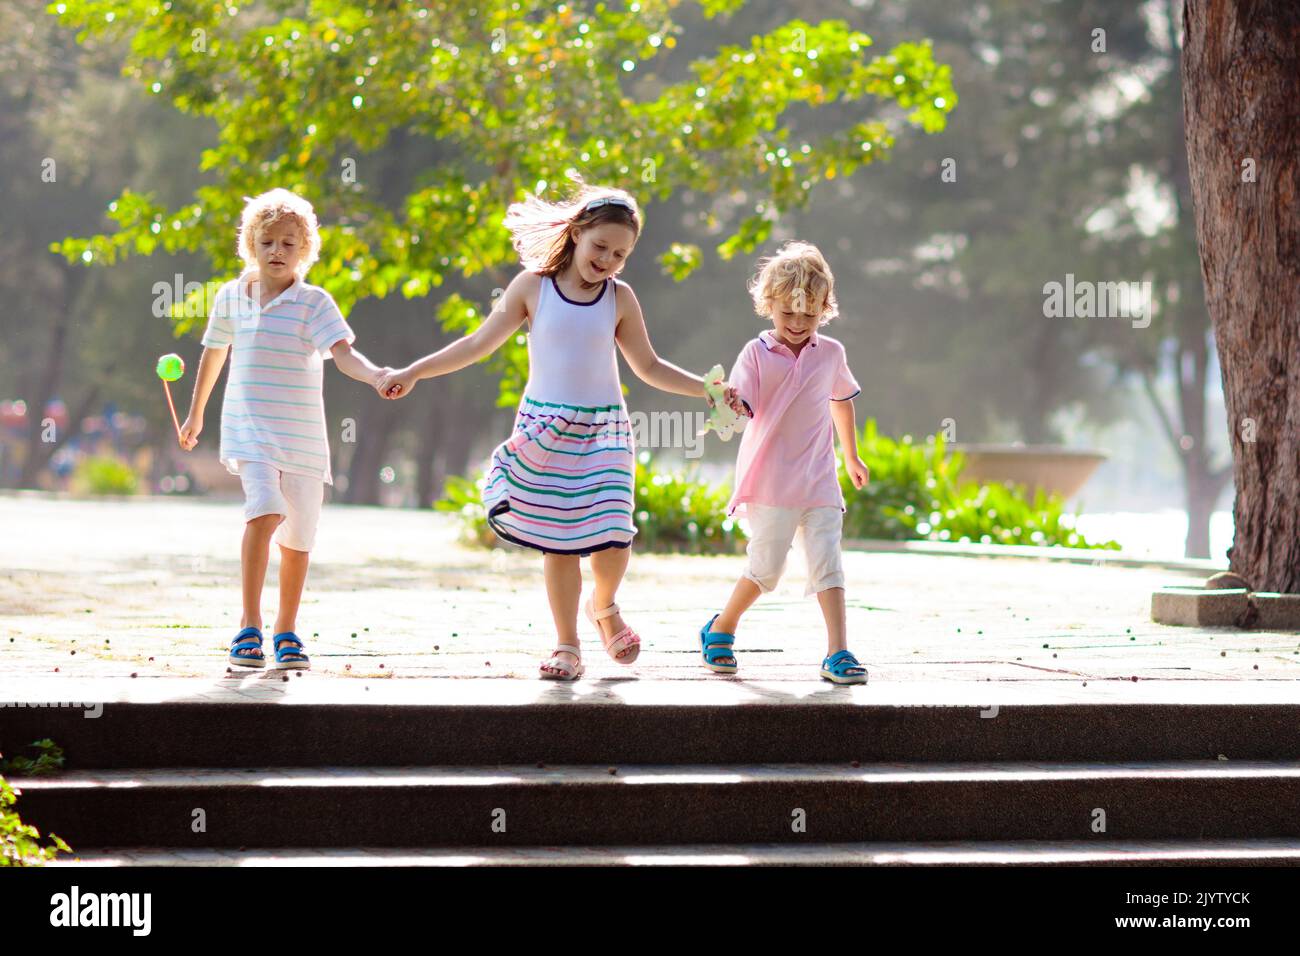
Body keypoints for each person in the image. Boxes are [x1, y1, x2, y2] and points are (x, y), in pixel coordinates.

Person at [380, 183, 736, 680]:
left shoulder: (621, 298)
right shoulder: (532, 287)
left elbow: (649, 366)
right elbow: (479, 344)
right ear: (576, 234)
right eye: (600, 247)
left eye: (620, 254)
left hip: (605, 430)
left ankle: (605, 606)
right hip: (546, 428)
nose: (608, 260)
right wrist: (414, 371)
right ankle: (567, 644)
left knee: (615, 534)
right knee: (561, 540)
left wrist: (709, 390)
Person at [179, 188, 393, 670]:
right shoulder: (232, 297)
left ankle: (287, 629)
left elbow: (344, 356)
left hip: (302, 439)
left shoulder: (314, 303)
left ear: (306, 250)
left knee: (298, 539)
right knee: (264, 510)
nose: (277, 251)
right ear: (250, 245)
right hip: (248, 430)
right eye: (268, 241)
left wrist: (377, 375)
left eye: (289, 243)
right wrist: (197, 415)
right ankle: (248, 624)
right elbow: (214, 355)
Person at [699, 241, 872, 684]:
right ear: (769, 304)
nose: (797, 324)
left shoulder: (831, 353)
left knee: (828, 563)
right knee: (766, 569)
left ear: (824, 309)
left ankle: (838, 651)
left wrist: (850, 455)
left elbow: (842, 402)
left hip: (818, 479)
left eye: (809, 314)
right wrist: (730, 405)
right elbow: (745, 405)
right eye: (788, 313)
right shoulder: (755, 354)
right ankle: (721, 628)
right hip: (772, 481)